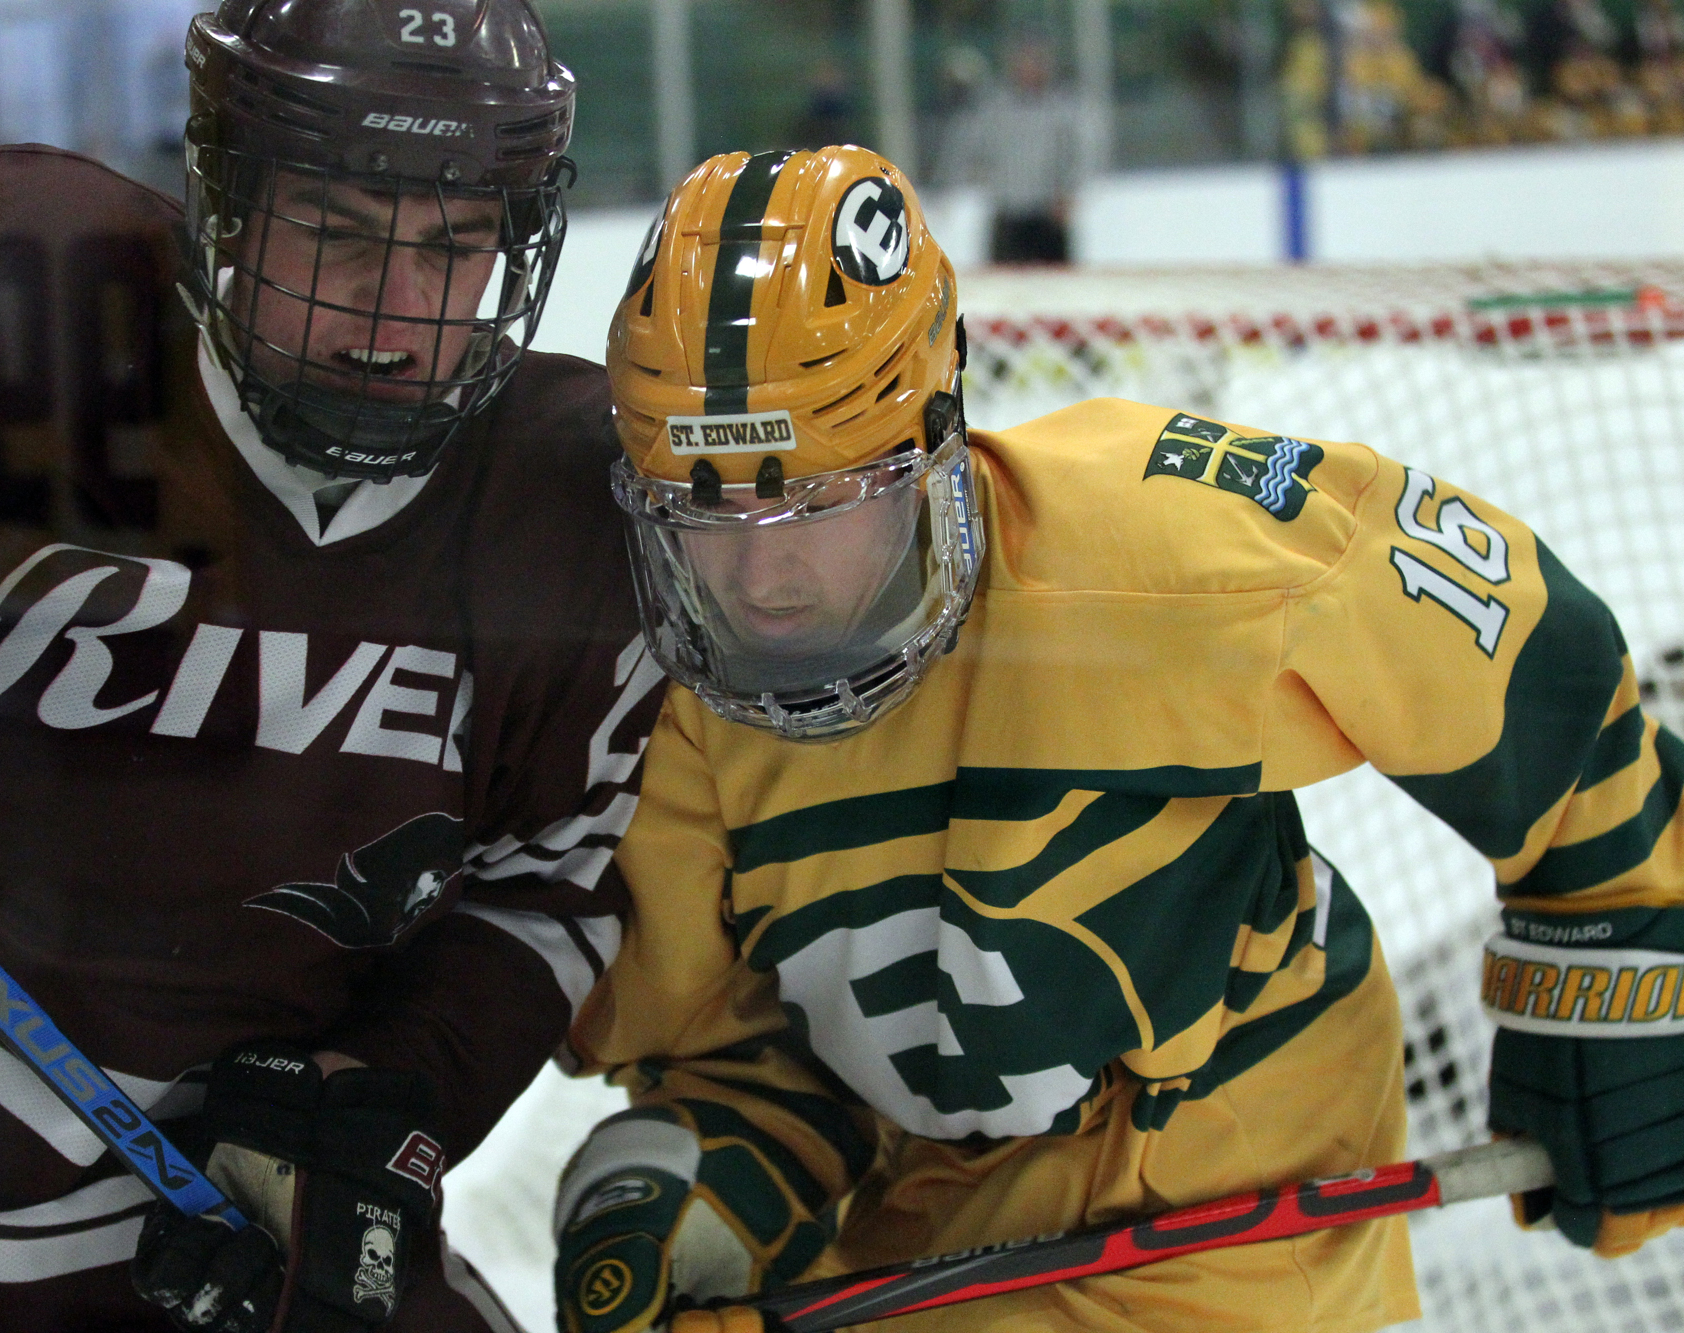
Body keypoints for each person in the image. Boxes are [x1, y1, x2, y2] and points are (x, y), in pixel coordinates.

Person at [549, 145, 1684, 1333]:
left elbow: (1517, 649)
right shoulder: (653, 720)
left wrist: (1619, 940)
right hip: (923, 1258)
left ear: (934, 435)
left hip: (1234, 1230)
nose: (762, 580)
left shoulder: (1155, 547)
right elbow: (740, 1070)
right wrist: (675, 1201)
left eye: (820, 505)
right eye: (704, 517)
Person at [0, 1, 666, 1329]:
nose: (398, 314)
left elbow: (549, 879)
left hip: (234, 1258)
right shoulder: (15, 285)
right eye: (337, 232)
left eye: (457, 246)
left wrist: (378, 1104)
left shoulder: (562, 505)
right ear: (223, 197)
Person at [930, 38, 1085, 265]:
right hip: (1008, 215)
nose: (1029, 69)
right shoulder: (993, 110)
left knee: (1058, 286)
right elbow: (965, 149)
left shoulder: (1062, 110)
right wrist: (946, 189)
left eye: (1036, 62)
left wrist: (1070, 191)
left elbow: (1079, 154)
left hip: (1048, 215)